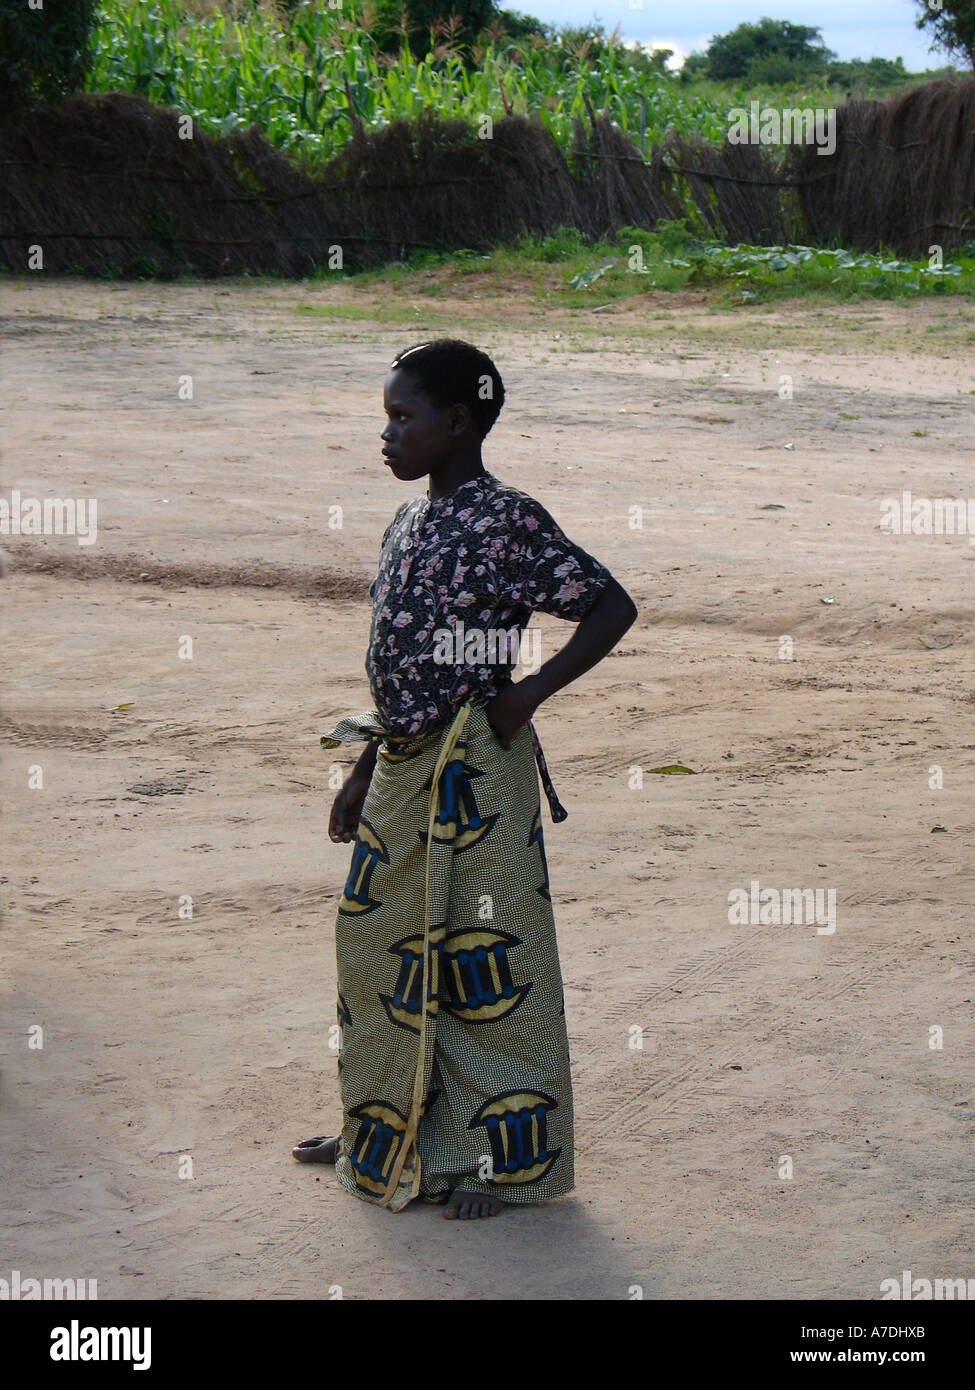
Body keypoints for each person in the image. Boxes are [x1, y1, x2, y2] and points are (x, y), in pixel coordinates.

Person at [293, 339, 638, 1219]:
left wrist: (524, 697)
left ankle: (498, 1164)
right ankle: (383, 1127)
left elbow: (610, 606)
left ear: (456, 422)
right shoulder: (407, 521)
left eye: (402, 419)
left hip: (476, 774)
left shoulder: (505, 519)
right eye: (385, 419)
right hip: (404, 765)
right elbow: (398, 671)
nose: (387, 436)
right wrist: (362, 768)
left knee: (485, 969)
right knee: (374, 955)